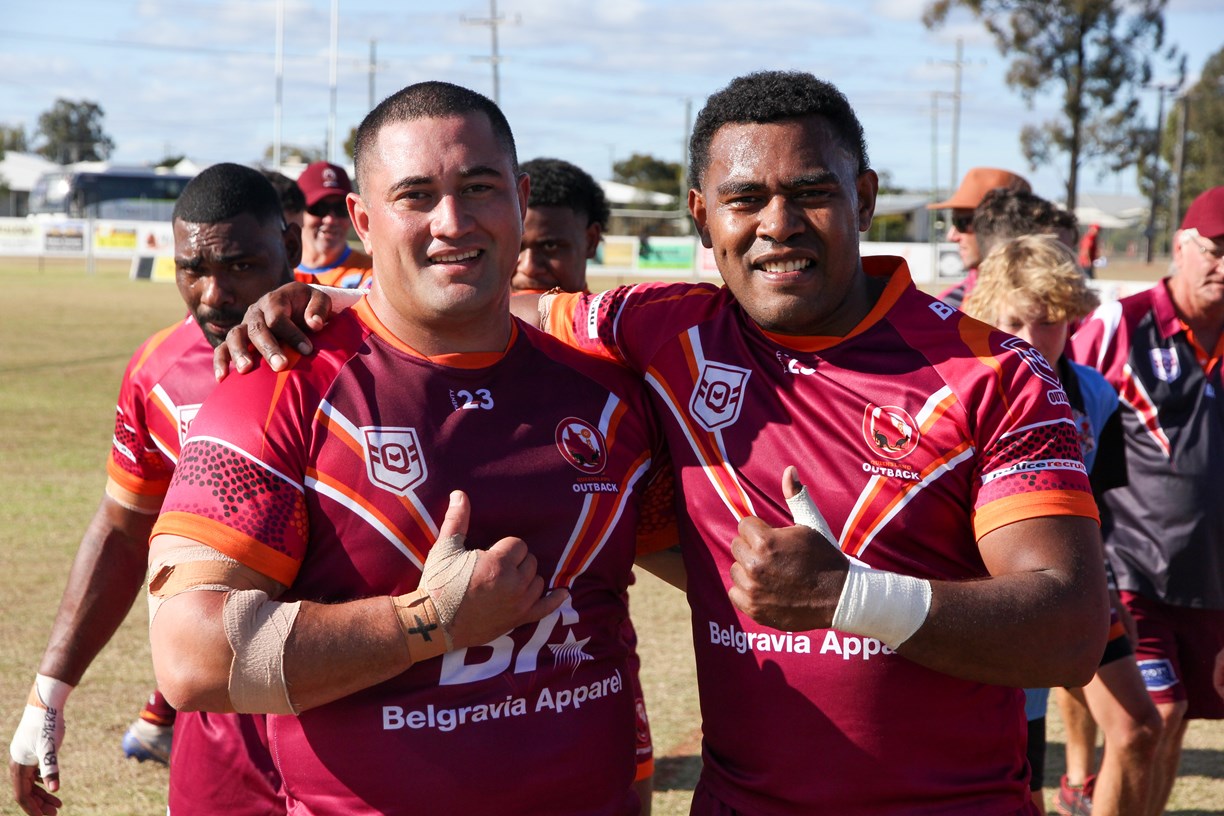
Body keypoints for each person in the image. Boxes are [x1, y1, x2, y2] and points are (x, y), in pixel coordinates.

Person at [224, 70, 1110, 813]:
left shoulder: (994, 372)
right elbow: (491, 304)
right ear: (700, 215)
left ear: (864, 198)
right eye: (744, 200)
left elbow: (1070, 630)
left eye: (811, 194)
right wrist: (325, 305)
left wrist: (855, 598)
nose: (778, 225)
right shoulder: (662, 328)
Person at [149, 81, 672, 815]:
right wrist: (429, 622)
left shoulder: (606, 396)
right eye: (416, 196)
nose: (452, 221)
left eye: (479, 187)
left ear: (520, 199)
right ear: (362, 218)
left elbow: (717, 565)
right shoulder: (276, 388)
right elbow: (191, 657)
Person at [8, 163, 301, 816]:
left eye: (242, 265)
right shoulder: (158, 372)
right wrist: (48, 694)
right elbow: (122, 528)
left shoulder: (365, 347)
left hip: (361, 707)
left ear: (294, 248)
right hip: (220, 728)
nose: (211, 293)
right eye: (192, 268)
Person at [963, 235, 1162, 816]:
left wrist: (1107, 587)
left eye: (1047, 323)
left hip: (1071, 590)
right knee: (1018, 789)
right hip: (991, 600)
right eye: (1015, 322)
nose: (1029, 340)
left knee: (1138, 727)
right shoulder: (962, 387)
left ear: (1072, 319)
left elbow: (1094, 504)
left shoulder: (1096, 395)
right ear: (989, 314)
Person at [1070, 185, 1224, 816]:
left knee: (1176, 724)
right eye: (1215, 251)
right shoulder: (1121, 323)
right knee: (1155, 714)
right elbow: (1064, 409)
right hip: (1132, 566)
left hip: (1209, 578)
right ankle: (1080, 781)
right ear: (1182, 247)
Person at [926, 165, 1031, 308]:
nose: (952, 236)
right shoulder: (950, 307)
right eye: (954, 220)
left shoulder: (1059, 302)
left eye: (963, 222)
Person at [513, 157, 609, 294]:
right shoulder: (476, 314)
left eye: (549, 246)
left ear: (590, 241)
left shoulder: (613, 315)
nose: (528, 268)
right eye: (514, 246)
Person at [293, 160, 374, 289]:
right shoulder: (277, 273)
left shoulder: (373, 275)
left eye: (341, 209)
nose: (330, 219)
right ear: (297, 213)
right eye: (319, 208)